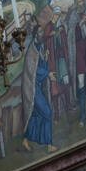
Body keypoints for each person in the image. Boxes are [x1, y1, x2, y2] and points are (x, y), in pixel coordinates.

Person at [21, 18, 55, 150]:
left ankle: (25, 140)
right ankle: (49, 144)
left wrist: (45, 58)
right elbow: (33, 70)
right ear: (35, 35)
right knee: (46, 111)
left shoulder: (39, 47)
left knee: (34, 115)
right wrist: (48, 74)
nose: (42, 34)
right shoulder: (31, 51)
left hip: (38, 87)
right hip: (32, 89)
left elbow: (40, 65)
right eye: (40, 32)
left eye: (42, 31)